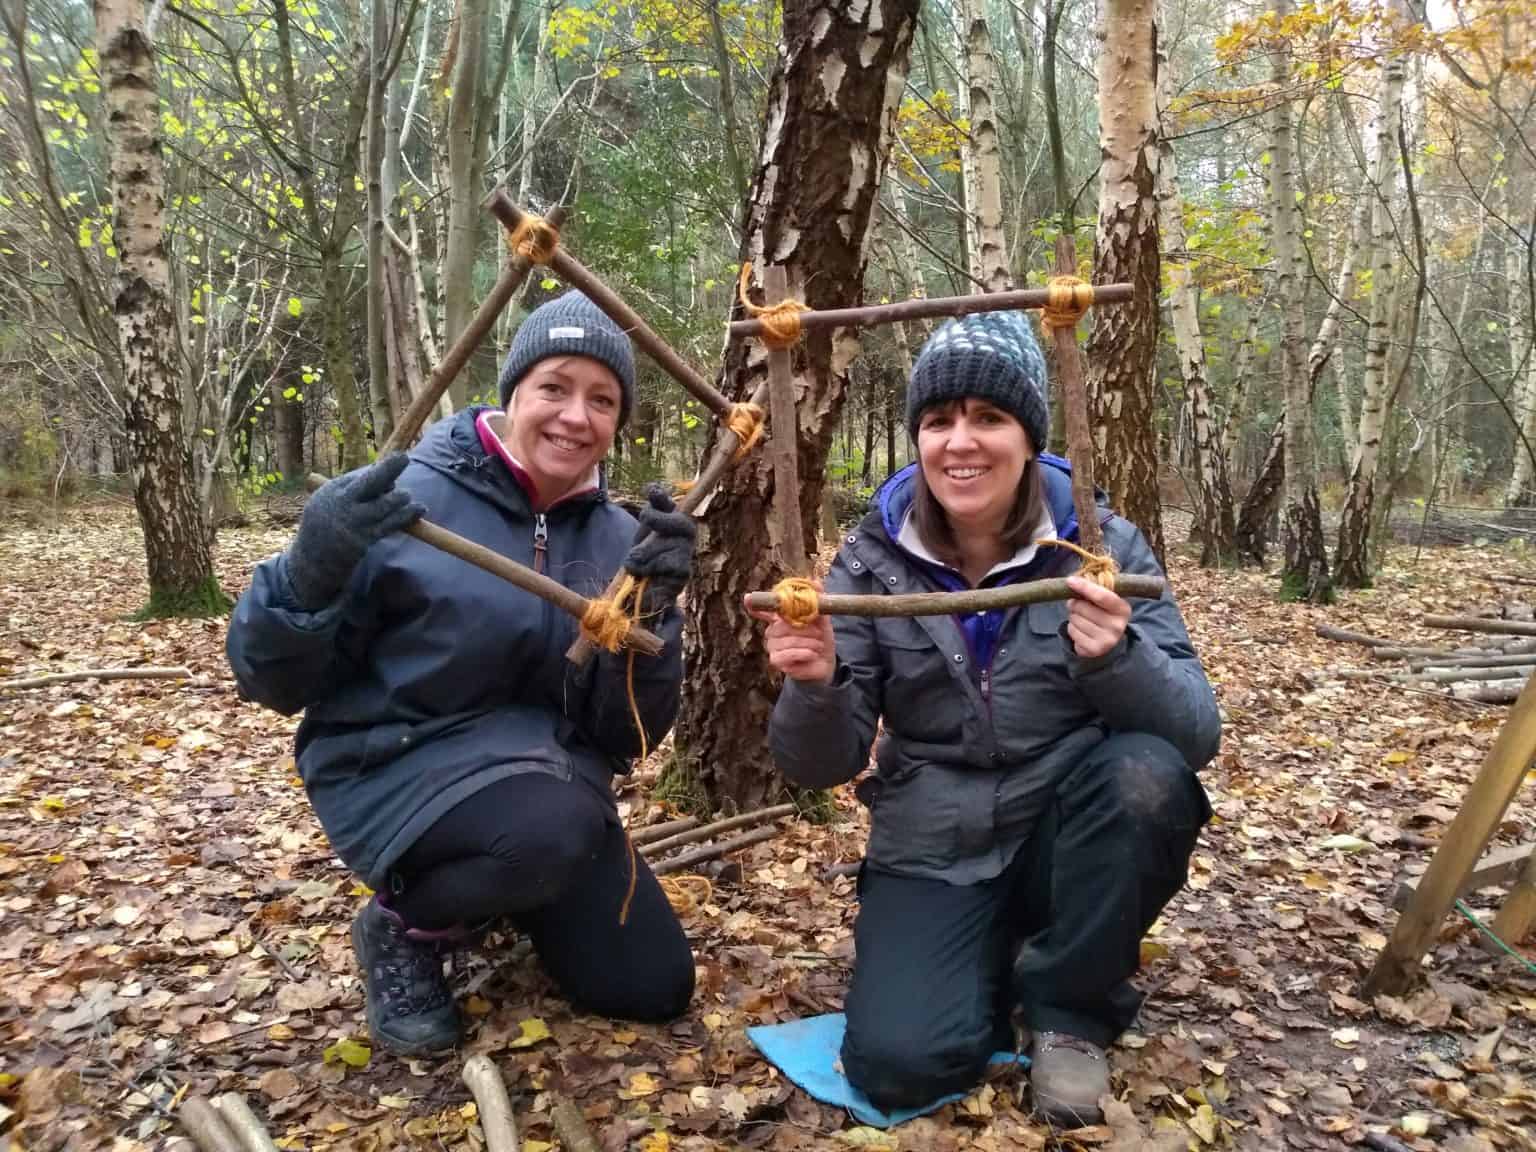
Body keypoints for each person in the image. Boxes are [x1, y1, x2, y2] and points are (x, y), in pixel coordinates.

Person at [754, 311, 1220, 1126]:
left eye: (988, 417)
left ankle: (1069, 1009)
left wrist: (1115, 658)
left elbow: (1194, 735)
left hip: (1065, 829)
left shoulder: (1100, 546)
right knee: (901, 1066)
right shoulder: (869, 564)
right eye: (938, 420)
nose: (960, 442)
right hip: (933, 840)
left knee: (1147, 778)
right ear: (917, 437)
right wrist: (819, 683)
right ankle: (991, 956)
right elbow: (819, 766)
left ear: (1030, 435)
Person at [227, 292, 697, 1056]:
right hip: (396, 765)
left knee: (650, 986)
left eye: (602, 399)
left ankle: (513, 886)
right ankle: (405, 926)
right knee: (548, 834)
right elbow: (269, 681)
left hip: (552, 791)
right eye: (555, 387)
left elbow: (622, 733)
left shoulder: (619, 537)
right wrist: (307, 572)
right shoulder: (403, 499)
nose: (576, 417)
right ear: (512, 389)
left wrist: (657, 618)